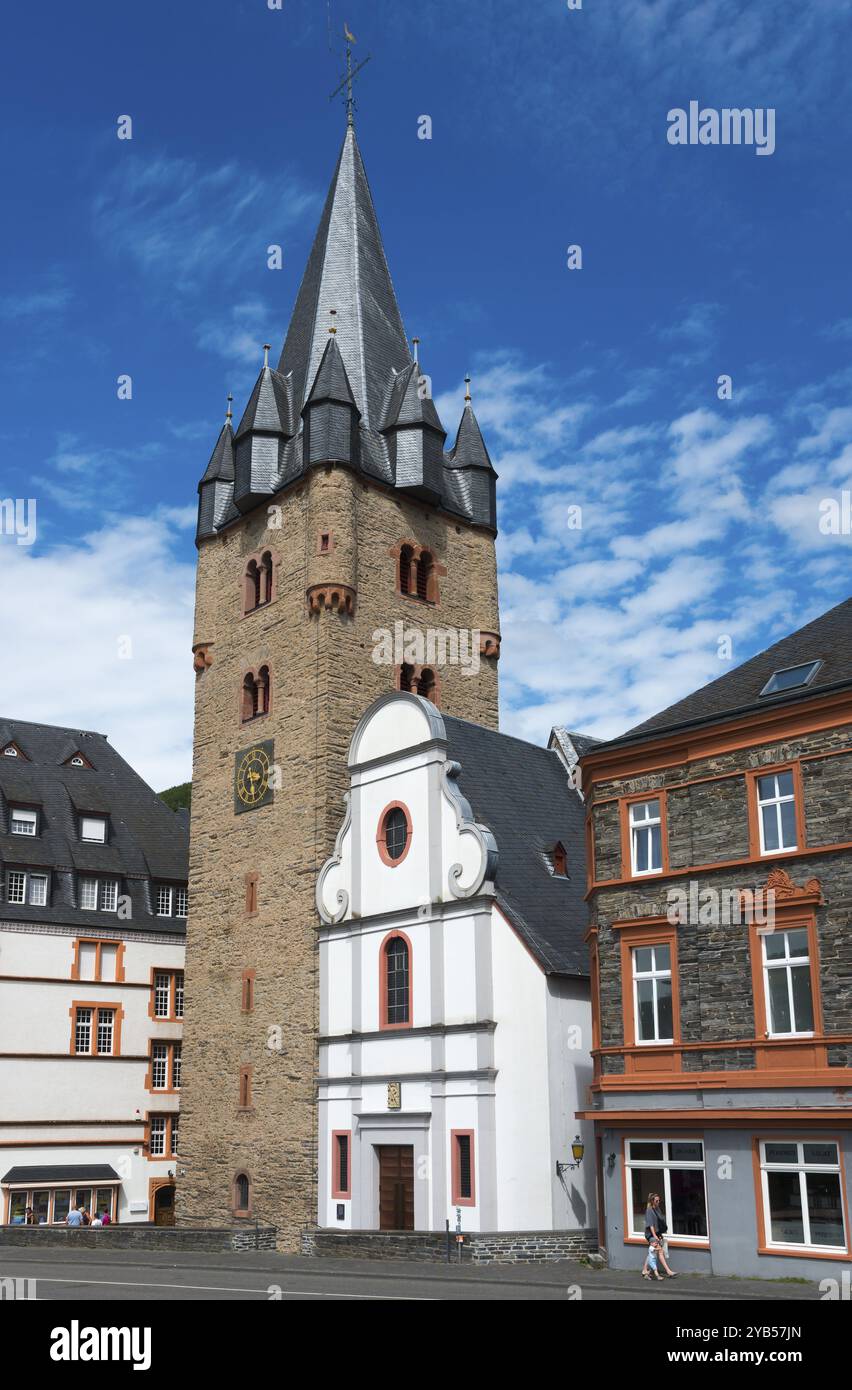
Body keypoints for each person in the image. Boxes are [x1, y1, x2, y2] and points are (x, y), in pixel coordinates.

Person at [641, 1192, 677, 1278]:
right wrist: (655, 1236)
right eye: (656, 1201)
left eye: (659, 1200)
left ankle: (644, 1270)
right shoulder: (649, 1210)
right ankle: (668, 1271)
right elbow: (651, 1225)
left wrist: (660, 1234)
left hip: (656, 1233)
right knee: (660, 1250)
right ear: (652, 1201)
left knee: (652, 1252)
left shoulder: (658, 1209)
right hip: (650, 1234)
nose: (658, 1202)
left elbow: (659, 1222)